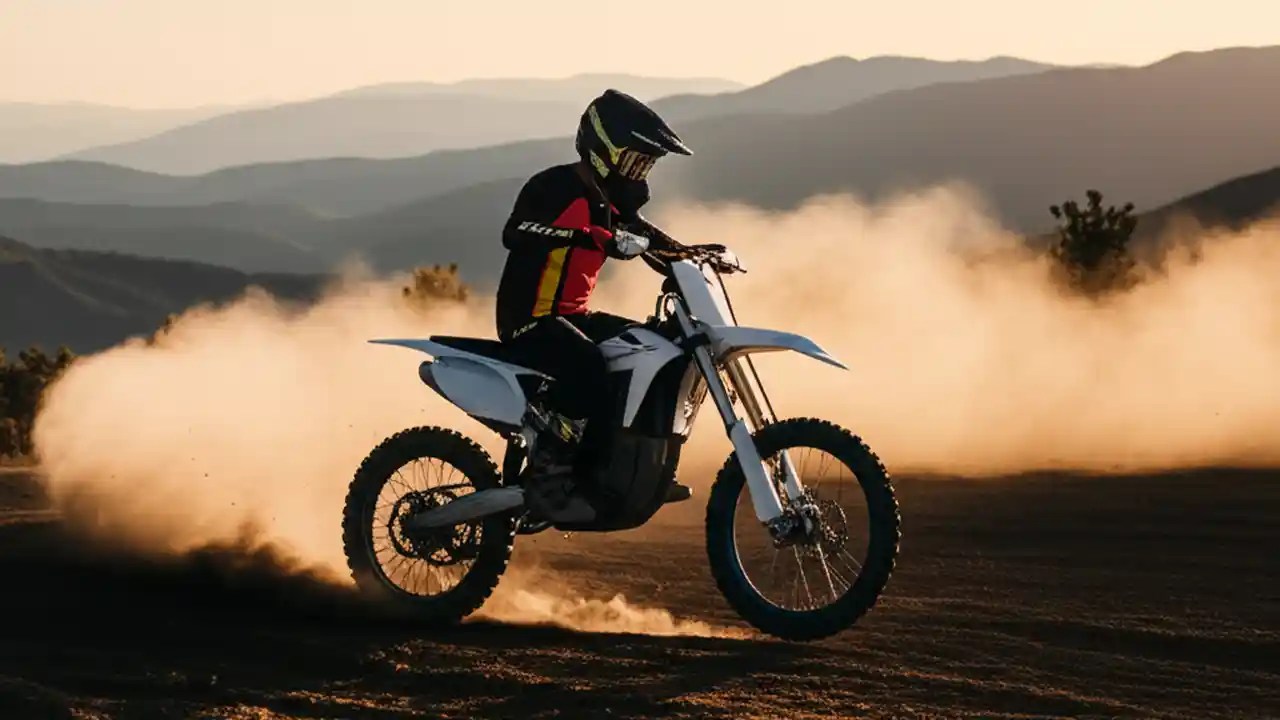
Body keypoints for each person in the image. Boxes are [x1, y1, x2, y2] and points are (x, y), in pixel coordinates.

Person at [495, 88, 694, 522]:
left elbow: (647, 240)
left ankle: (640, 469)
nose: (639, 173)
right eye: (634, 161)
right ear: (604, 151)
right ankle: (553, 467)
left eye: (646, 164)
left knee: (652, 348)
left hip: (572, 316)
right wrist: (577, 235)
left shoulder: (610, 205)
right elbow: (515, 233)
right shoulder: (554, 186)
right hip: (530, 319)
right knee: (588, 364)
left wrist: (694, 256)